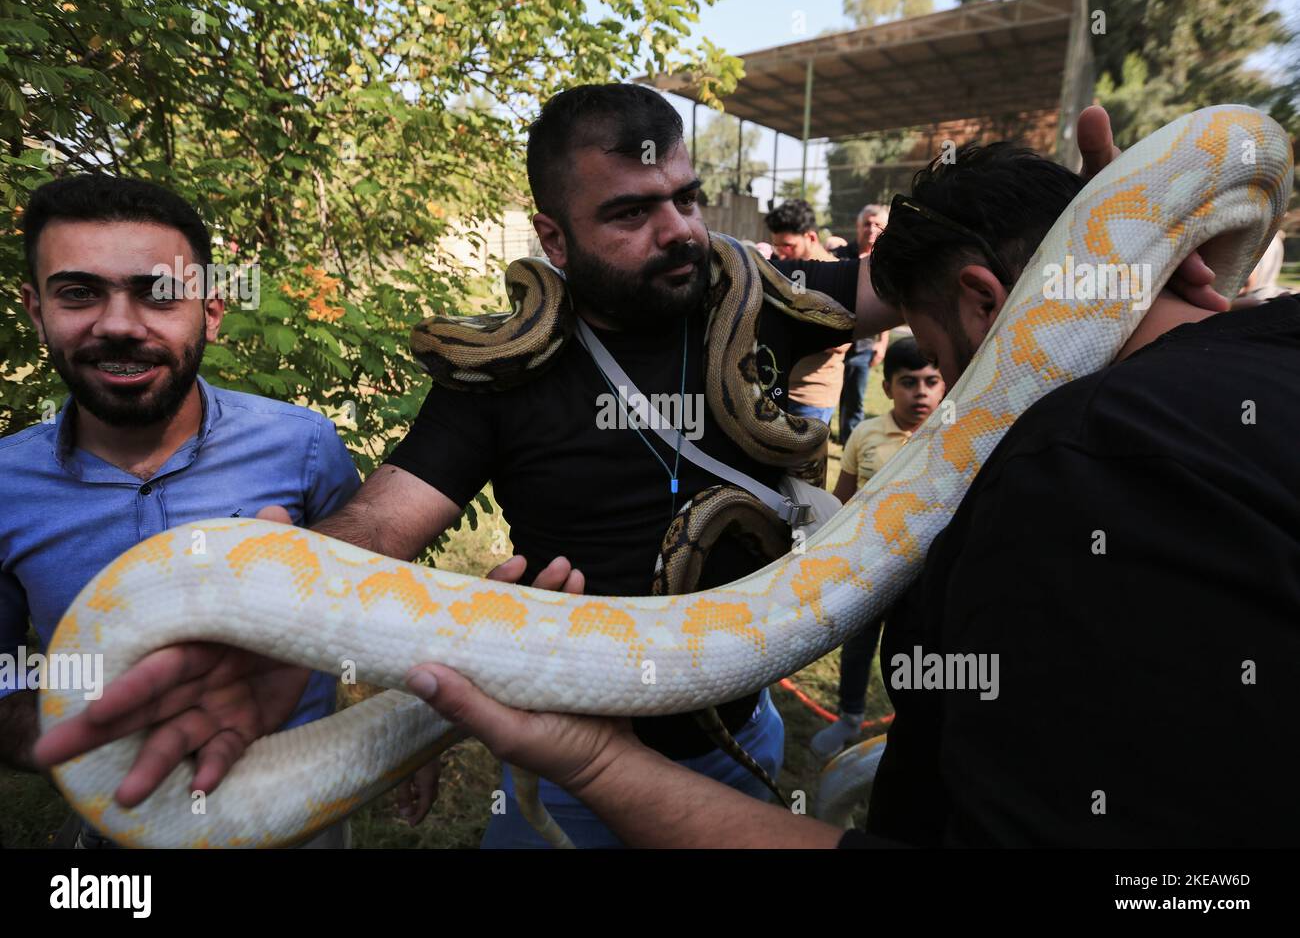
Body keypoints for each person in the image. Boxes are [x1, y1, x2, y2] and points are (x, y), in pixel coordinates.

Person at [33, 105, 1243, 848]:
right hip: (556, 733)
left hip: (733, 722)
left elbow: (978, 285)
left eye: (684, 198)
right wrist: (274, 608)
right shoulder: (499, 374)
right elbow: (385, 522)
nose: (676, 232)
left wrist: (1131, 241)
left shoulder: (764, 306)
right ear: (552, 237)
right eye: (630, 213)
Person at [0, 175, 366, 847]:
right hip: (119, 827)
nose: (116, 324)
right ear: (34, 308)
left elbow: (365, 608)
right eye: (79, 293)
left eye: (158, 293)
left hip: (302, 813)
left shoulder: (304, 447)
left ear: (212, 312)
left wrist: (395, 722)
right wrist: (77, 748)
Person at [812, 337, 944, 758]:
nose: (920, 392)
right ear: (886, 387)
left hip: (927, 574)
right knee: (858, 647)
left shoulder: (954, 436)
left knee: (921, 654)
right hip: (866, 569)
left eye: (930, 381)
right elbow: (843, 499)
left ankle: (916, 725)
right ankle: (850, 717)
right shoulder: (865, 434)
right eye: (908, 382)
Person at [764, 198, 850, 431]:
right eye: (777, 248)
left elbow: (840, 341)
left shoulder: (837, 278)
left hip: (812, 397)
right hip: (776, 387)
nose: (781, 256)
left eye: (788, 247)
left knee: (803, 466)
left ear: (811, 237)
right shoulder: (785, 272)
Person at [837, 204, 891, 443]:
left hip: (864, 345)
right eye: (866, 224)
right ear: (857, 227)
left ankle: (849, 444)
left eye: (877, 224)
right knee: (828, 395)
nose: (871, 229)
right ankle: (820, 436)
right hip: (832, 341)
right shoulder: (840, 256)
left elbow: (888, 306)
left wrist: (883, 343)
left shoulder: (886, 261)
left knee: (855, 399)